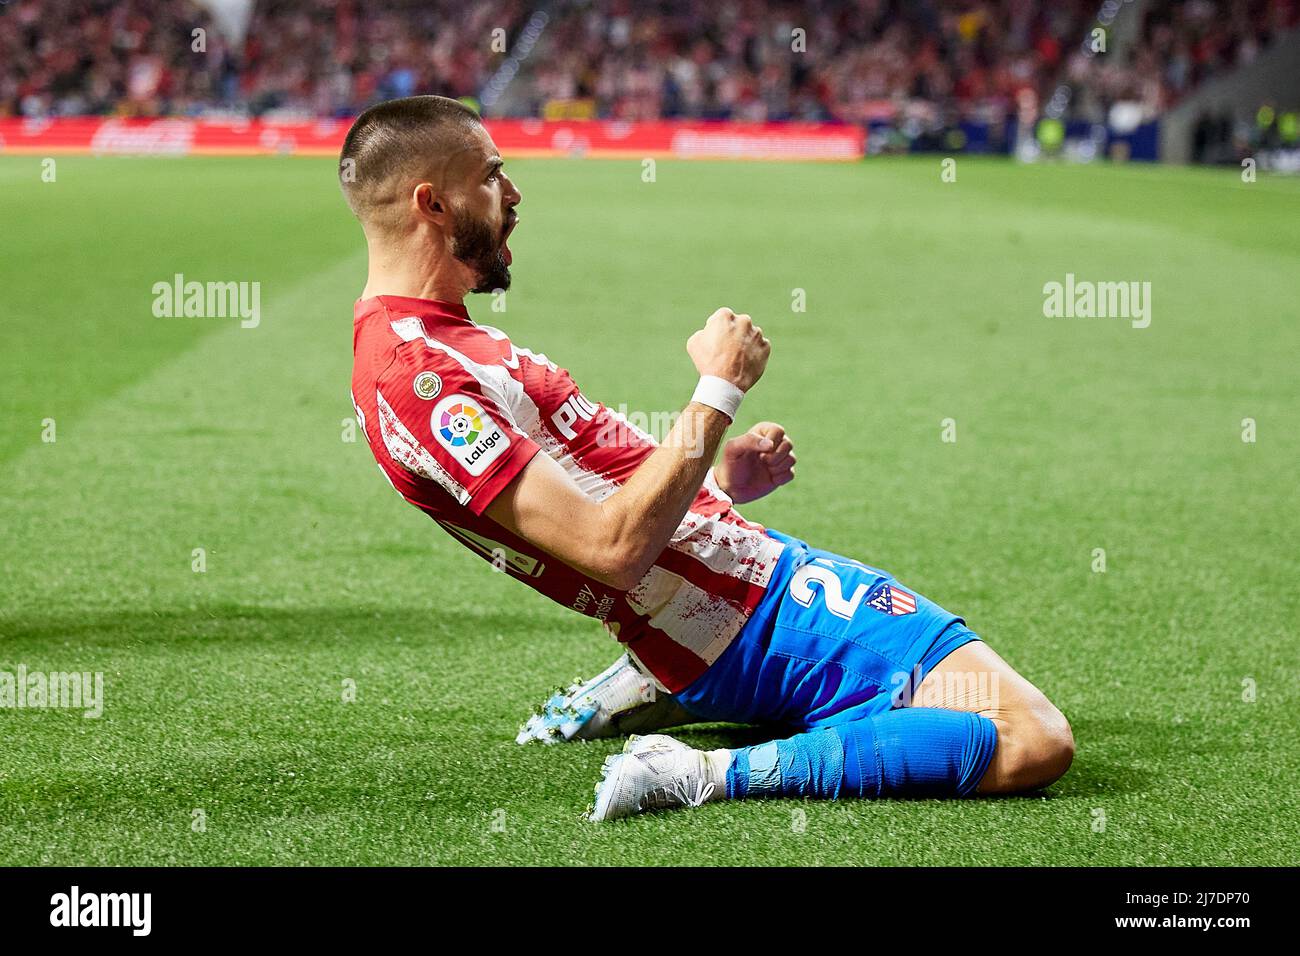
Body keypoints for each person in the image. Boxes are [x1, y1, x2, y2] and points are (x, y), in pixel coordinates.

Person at [341, 96, 1073, 821]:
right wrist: (719, 388)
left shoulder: (429, 344)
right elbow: (612, 549)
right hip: (756, 614)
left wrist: (715, 483)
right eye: (493, 175)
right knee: (1030, 737)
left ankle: (659, 675)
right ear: (432, 204)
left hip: (714, 605)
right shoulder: (421, 377)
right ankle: (699, 771)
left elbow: (587, 498)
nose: (515, 192)